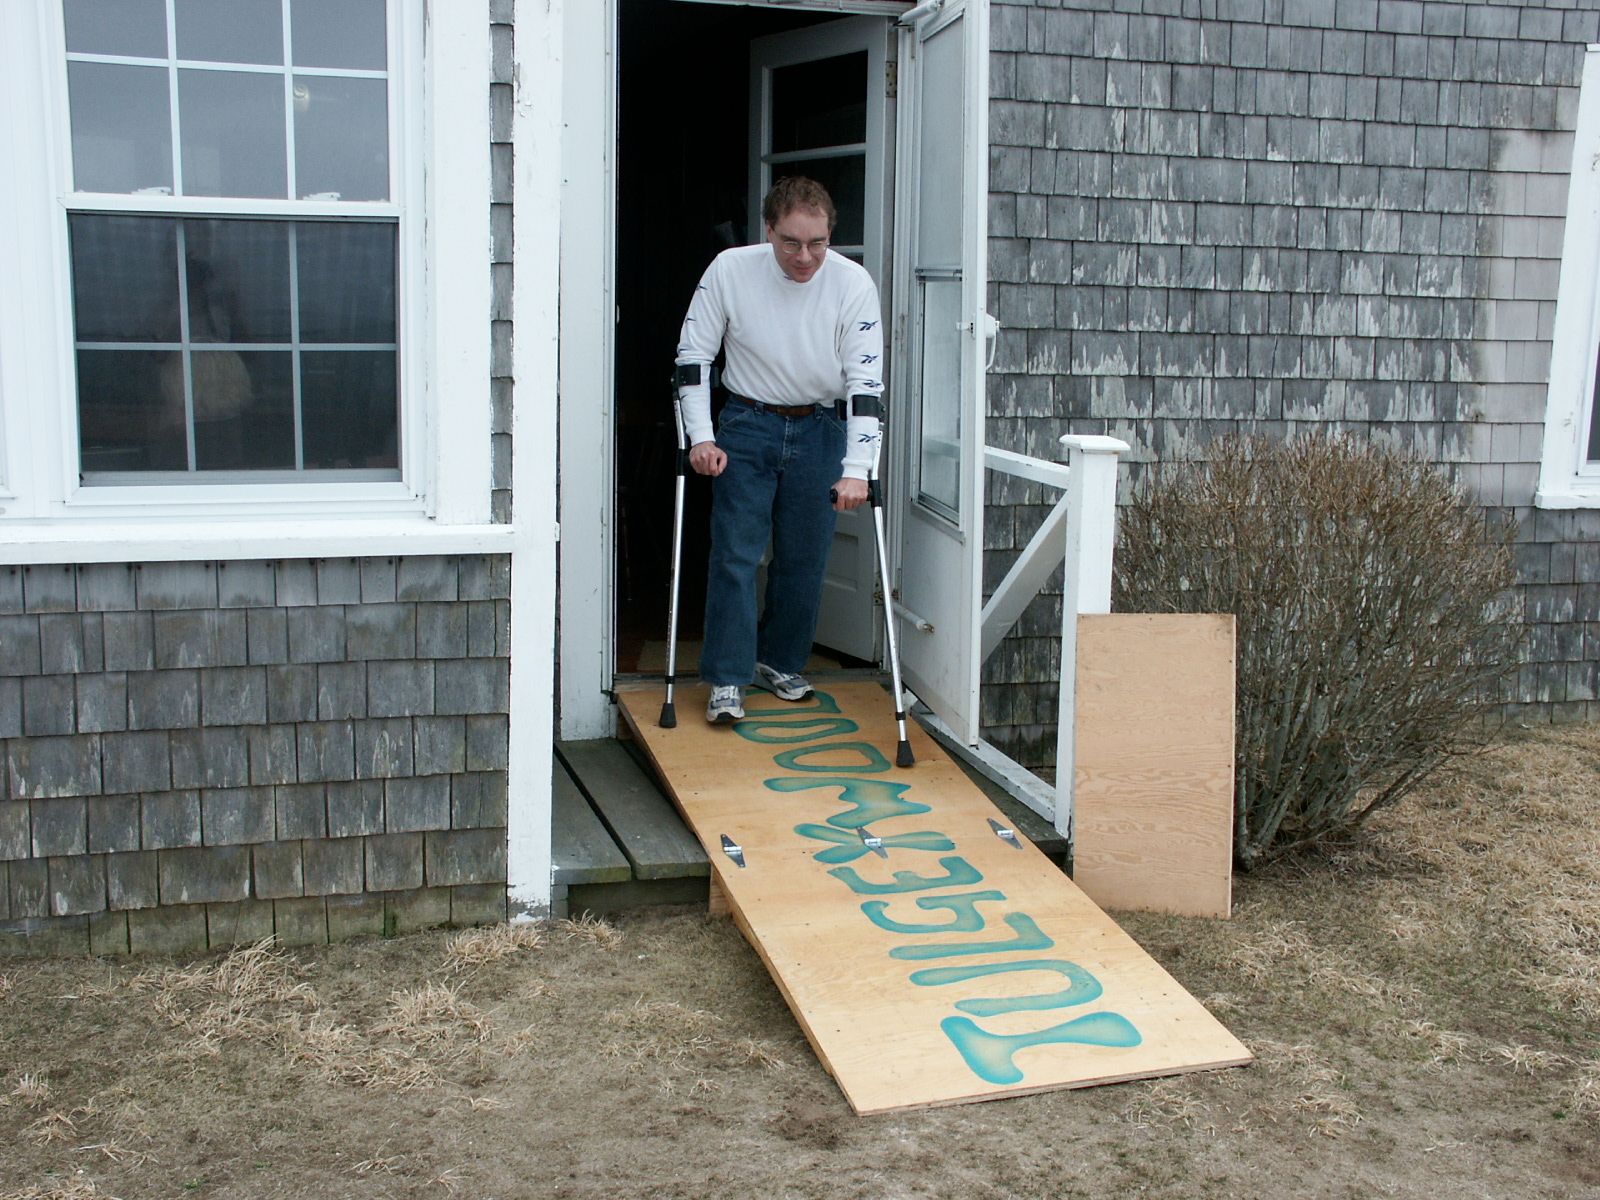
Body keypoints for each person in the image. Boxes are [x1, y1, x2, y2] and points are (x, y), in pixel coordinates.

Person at [674, 177, 885, 724]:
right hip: (746, 422)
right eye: (791, 242)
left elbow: (866, 383)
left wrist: (858, 468)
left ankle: (781, 660)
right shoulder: (730, 270)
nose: (805, 257)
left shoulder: (852, 282)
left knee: (805, 557)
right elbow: (694, 357)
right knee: (737, 553)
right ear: (769, 229)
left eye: (818, 243)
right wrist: (701, 437)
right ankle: (726, 676)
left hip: (820, 426)